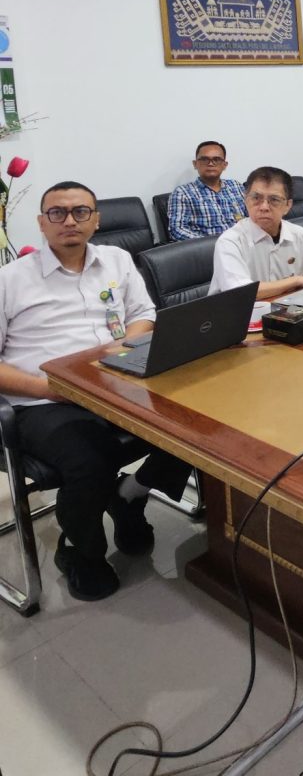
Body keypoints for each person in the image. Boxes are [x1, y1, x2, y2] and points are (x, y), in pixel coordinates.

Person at [0, 182, 192, 600]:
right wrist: (49, 389)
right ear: (41, 222)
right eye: (58, 212)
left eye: (81, 211)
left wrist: (120, 351)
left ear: (96, 219)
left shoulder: (117, 260)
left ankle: (128, 495)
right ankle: (80, 552)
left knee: (196, 427)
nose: (70, 220)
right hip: (42, 399)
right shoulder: (10, 280)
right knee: (89, 460)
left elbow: (144, 315)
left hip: (115, 382)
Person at [209, 166, 303, 299]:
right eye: (256, 198)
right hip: (238, 315)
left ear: (288, 206)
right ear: (246, 200)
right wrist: (295, 280)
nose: (264, 207)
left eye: (274, 200)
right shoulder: (230, 241)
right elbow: (241, 293)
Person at [166, 140, 247, 240]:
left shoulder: (236, 187)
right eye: (204, 159)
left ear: (224, 165)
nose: (210, 163)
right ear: (195, 164)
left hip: (246, 244)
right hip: (210, 250)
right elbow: (177, 230)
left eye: (216, 159)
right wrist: (213, 245)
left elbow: (253, 217)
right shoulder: (182, 193)